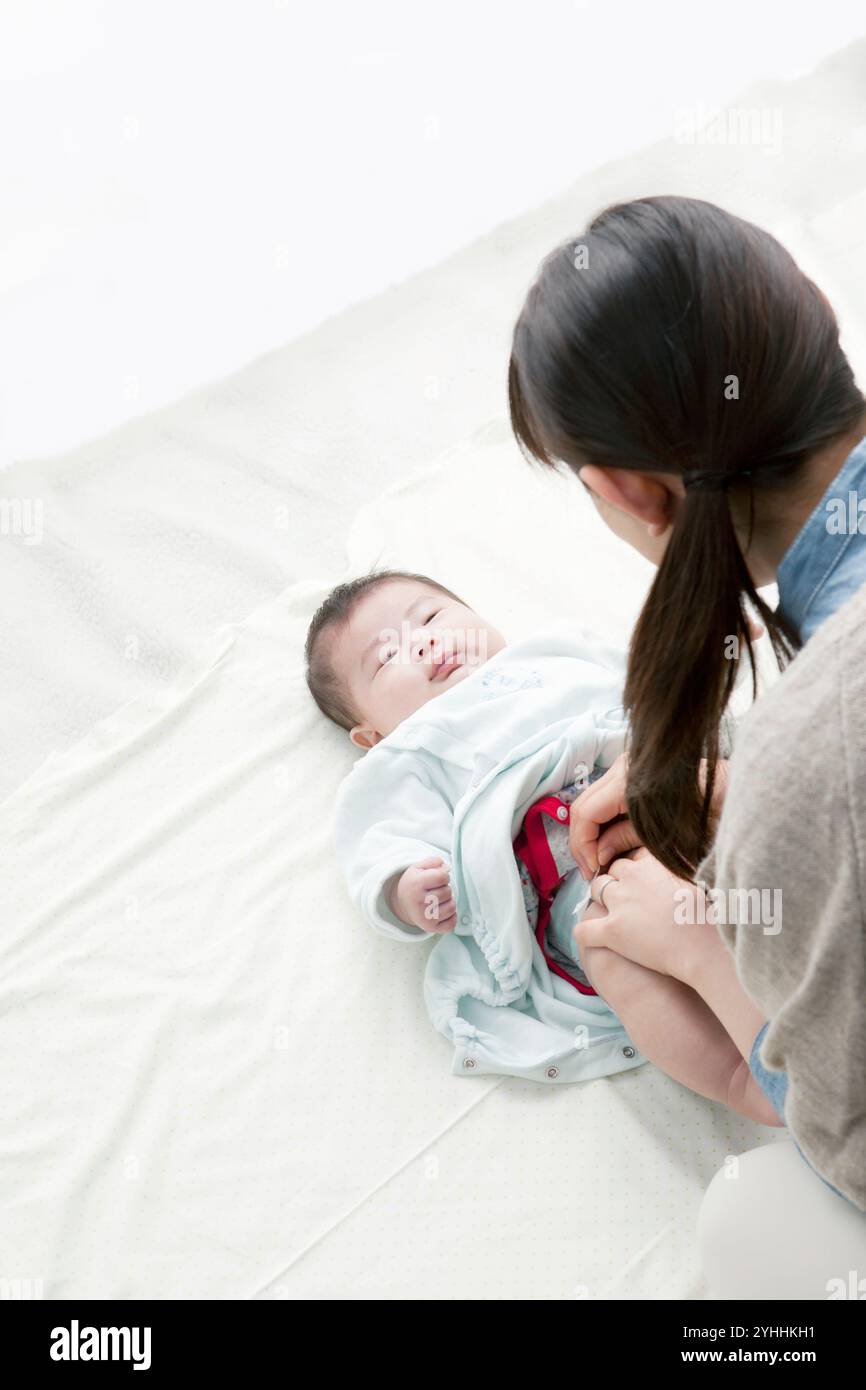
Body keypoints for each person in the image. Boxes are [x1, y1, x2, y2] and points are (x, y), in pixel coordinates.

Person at [508, 193, 866, 1297]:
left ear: (621, 491)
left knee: (755, 1228)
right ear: (811, 308)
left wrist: (709, 949)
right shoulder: (802, 762)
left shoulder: (805, 773)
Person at [304, 567, 779, 1116]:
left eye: (431, 618)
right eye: (386, 658)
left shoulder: (558, 652)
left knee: (764, 830)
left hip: (678, 806)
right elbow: (381, 844)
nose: (425, 643)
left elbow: (655, 689)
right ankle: (737, 1076)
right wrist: (409, 889)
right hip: (592, 890)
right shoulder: (404, 757)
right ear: (372, 735)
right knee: (608, 953)